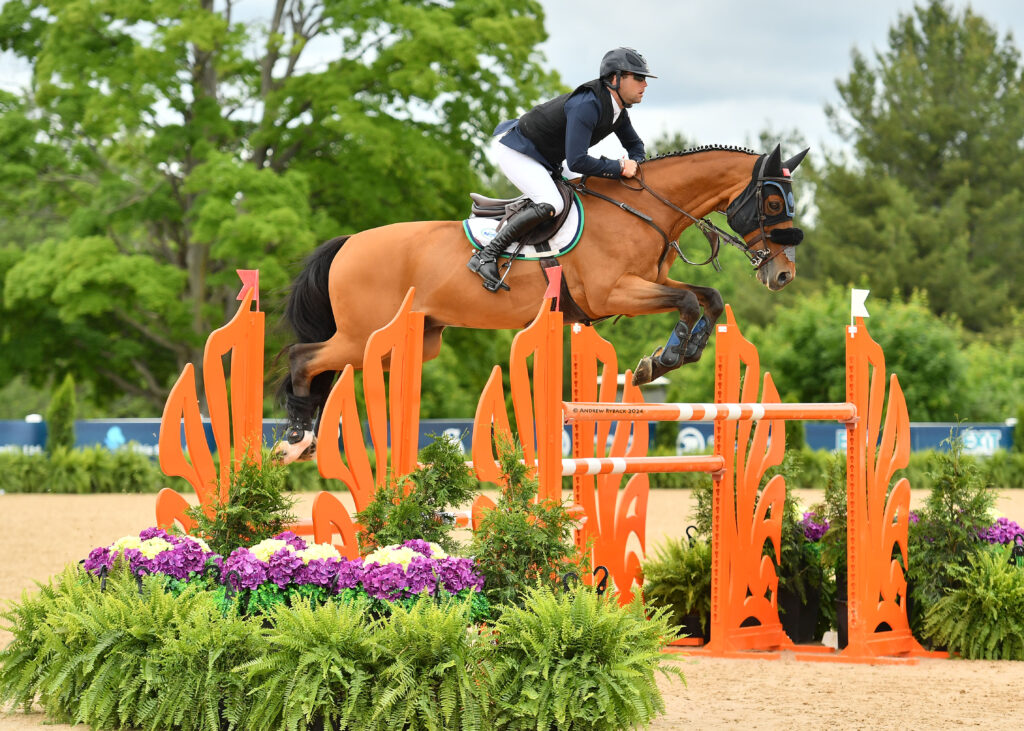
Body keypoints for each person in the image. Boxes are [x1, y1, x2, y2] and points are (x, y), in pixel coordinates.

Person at [468, 47, 655, 290]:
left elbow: (635, 145)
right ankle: (486, 255)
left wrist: (636, 163)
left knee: (589, 193)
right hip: (518, 150)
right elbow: (577, 161)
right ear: (615, 78)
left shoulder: (617, 110)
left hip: (549, 156)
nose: (645, 85)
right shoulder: (587, 104)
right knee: (552, 204)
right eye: (638, 78)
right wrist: (618, 167)